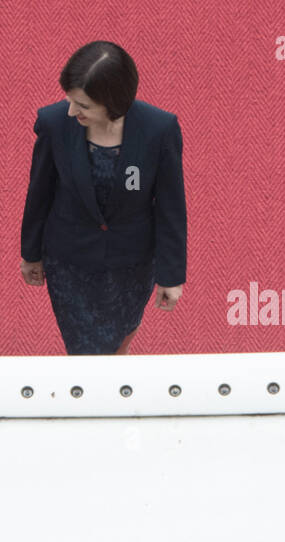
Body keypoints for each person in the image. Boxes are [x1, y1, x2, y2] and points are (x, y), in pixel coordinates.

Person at [19, 41, 186, 355]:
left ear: (113, 101)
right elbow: (39, 192)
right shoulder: (54, 123)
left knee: (117, 347)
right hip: (69, 264)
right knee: (84, 353)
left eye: (82, 105)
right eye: (70, 100)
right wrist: (31, 254)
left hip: (132, 266)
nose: (72, 111)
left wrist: (171, 275)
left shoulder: (159, 129)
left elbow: (170, 206)